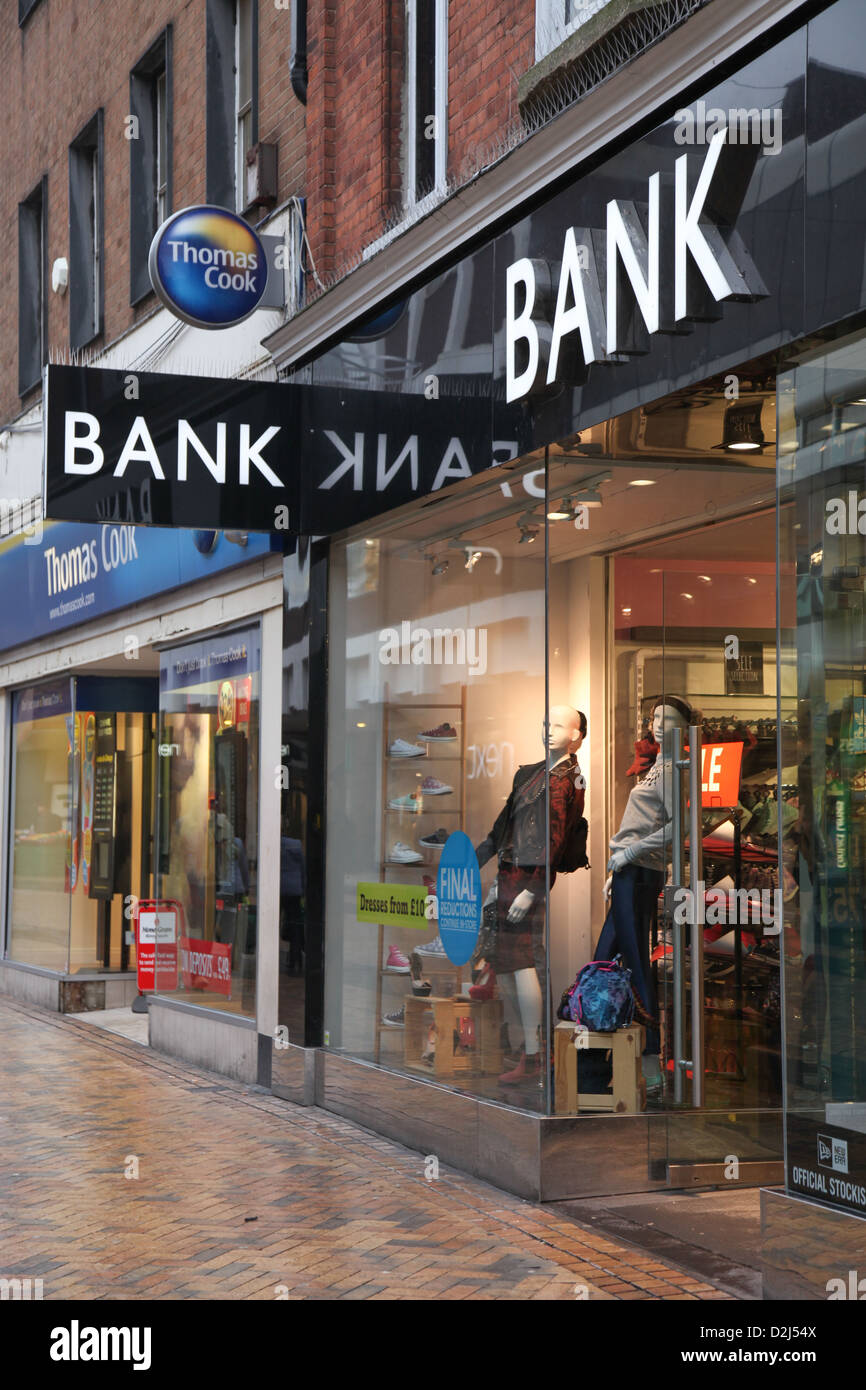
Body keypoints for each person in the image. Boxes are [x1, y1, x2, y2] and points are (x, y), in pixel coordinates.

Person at [475, 705, 587, 1084]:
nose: (549, 729)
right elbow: (501, 827)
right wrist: (472, 862)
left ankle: (535, 1054)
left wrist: (533, 889)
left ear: (577, 736)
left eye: (558, 724)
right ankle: (524, 1050)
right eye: (545, 722)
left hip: (528, 879)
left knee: (522, 962)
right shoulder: (530, 774)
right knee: (506, 962)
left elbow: (556, 840)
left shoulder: (569, 780)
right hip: (509, 875)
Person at [598, 695, 696, 1092]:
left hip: (639, 870)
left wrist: (632, 853)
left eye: (668, 718)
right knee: (603, 959)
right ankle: (597, 1058)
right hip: (628, 871)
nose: (658, 723)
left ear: (684, 727)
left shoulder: (673, 768)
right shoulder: (658, 765)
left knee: (636, 962)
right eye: (655, 717)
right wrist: (621, 861)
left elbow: (680, 828)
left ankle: (651, 1063)